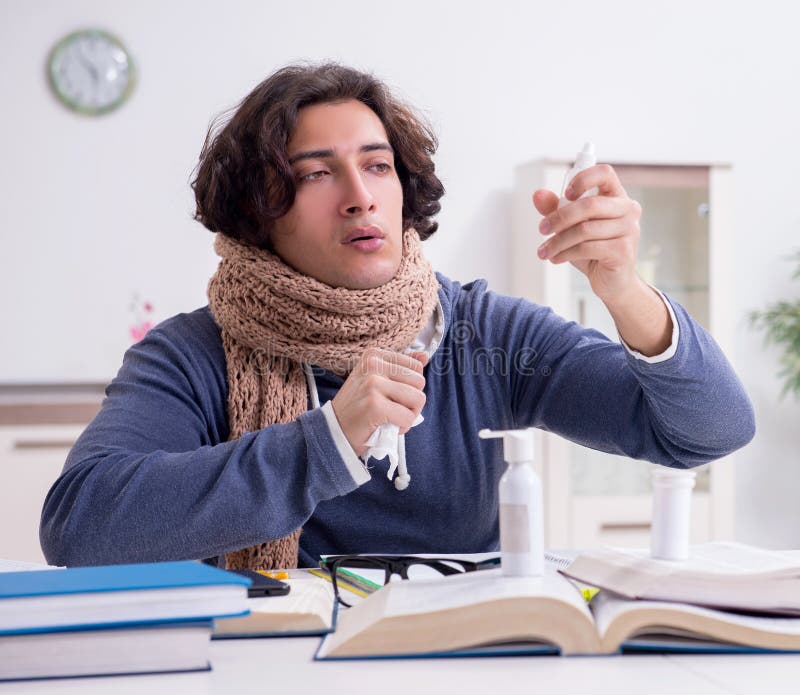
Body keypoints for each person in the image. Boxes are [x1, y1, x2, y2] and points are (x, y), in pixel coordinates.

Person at [40, 63, 755, 570]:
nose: (359, 196)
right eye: (317, 173)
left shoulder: (486, 334)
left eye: (377, 166)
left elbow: (710, 430)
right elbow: (81, 525)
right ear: (258, 210)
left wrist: (624, 287)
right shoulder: (192, 354)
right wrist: (326, 441)